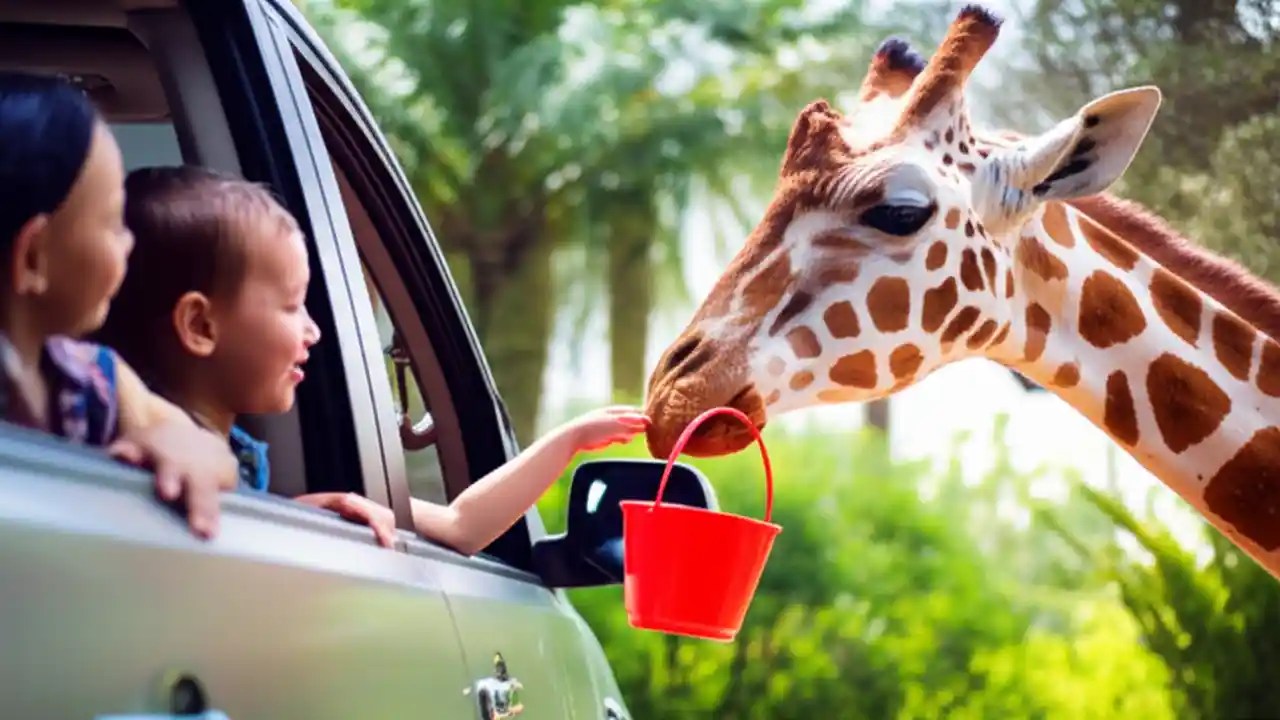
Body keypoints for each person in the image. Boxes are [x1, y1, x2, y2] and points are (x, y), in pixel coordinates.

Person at [96, 164, 649, 553]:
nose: (314, 330)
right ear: (200, 325)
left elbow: (460, 526)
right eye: (292, 306)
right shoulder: (130, 459)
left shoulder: (243, 473)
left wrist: (571, 438)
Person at [0, 72, 238, 538]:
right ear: (33, 257)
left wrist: (178, 444)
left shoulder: (94, 379)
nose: (130, 244)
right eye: (113, 223)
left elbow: (208, 449)